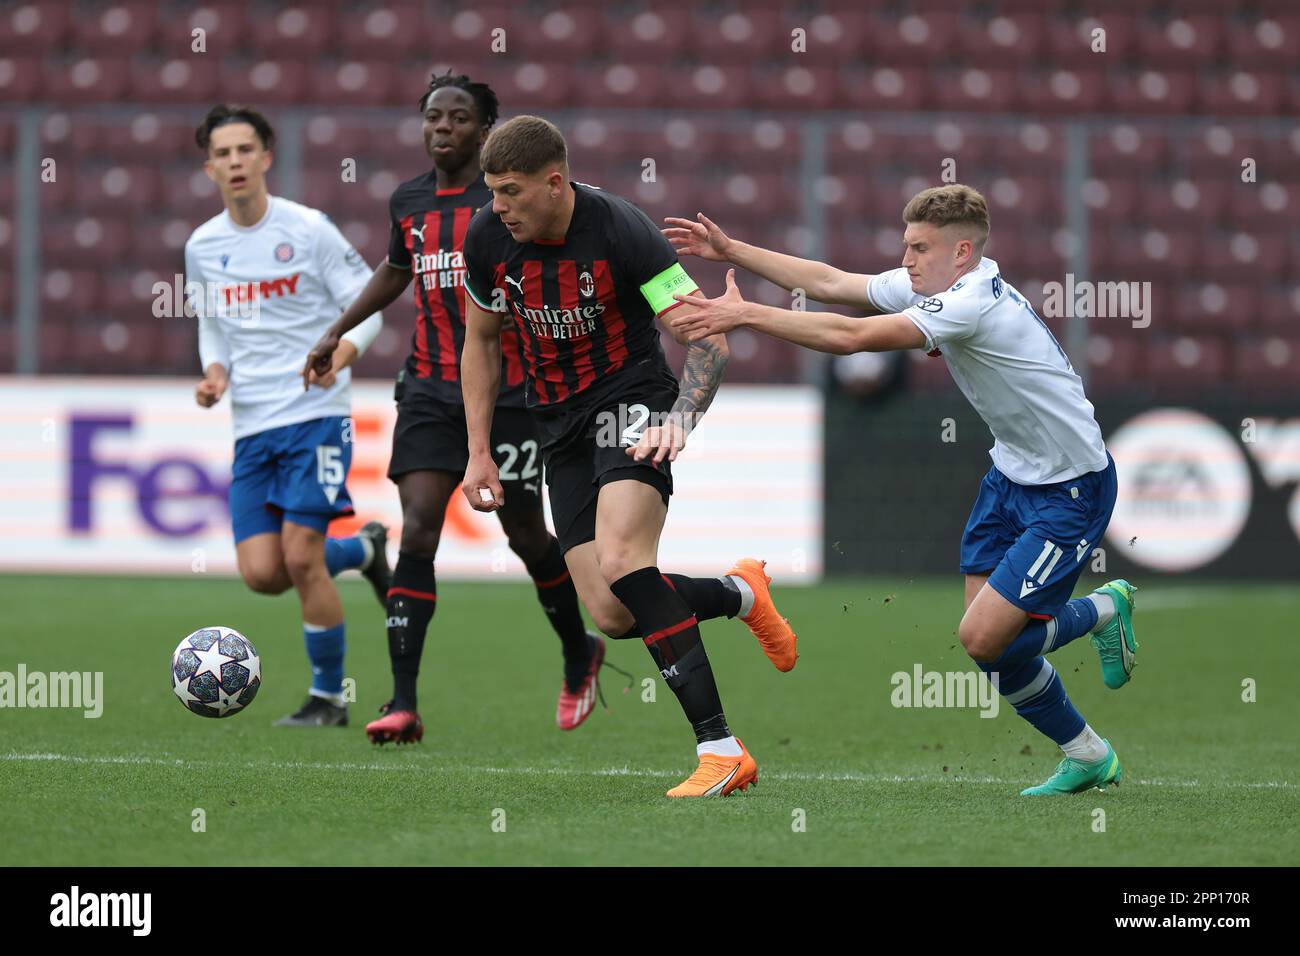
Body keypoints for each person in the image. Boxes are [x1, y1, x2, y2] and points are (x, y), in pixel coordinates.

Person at [664, 184, 1139, 796]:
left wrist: (745, 314)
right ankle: (1088, 754)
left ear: (961, 251)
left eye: (919, 247)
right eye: (905, 245)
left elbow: (851, 337)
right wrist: (732, 251)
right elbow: (832, 282)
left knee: (983, 638)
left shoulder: (970, 303)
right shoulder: (938, 287)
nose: (907, 258)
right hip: (1010, 474)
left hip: (1071, 488)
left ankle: (1104, 609)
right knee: (992, 648)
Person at [456, 115, 799, 798]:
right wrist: (478, 454)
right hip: (560, 427)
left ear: (555, 183)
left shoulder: (622, 233)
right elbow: (482, 343)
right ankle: (739, 593)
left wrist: (678, 420)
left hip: (631, 401)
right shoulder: (488, 237)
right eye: (492, 191)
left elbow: (706, 341)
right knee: (612, 613)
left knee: (622, 562)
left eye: (511, 191)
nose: (498, 206)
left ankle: (721, 749)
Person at [304, 73, 604, 745]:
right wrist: (337, 331)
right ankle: (403, 701)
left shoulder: (505, 200)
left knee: (526, 535)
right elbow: (393, 268)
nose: (442, 128)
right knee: (417, 530)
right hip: (431, 390)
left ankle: (578, 651)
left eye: (458, 118)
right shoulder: (408, 200)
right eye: (433, 117)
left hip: (517, 393)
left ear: (487, 128)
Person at [187, 104, 390, 728]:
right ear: (210, 168)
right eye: (223, 154)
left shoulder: (309, 230)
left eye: (245, 149)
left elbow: (371, 309)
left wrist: (341, 354)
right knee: (264, 574)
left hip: (316, 415)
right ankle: (362, 551)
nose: (236, 162)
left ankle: (329, 698)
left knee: (302, 557)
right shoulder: (202, 246)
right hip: (251, 426)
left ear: (266, 157)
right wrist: (216, 373)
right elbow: (212, 329)